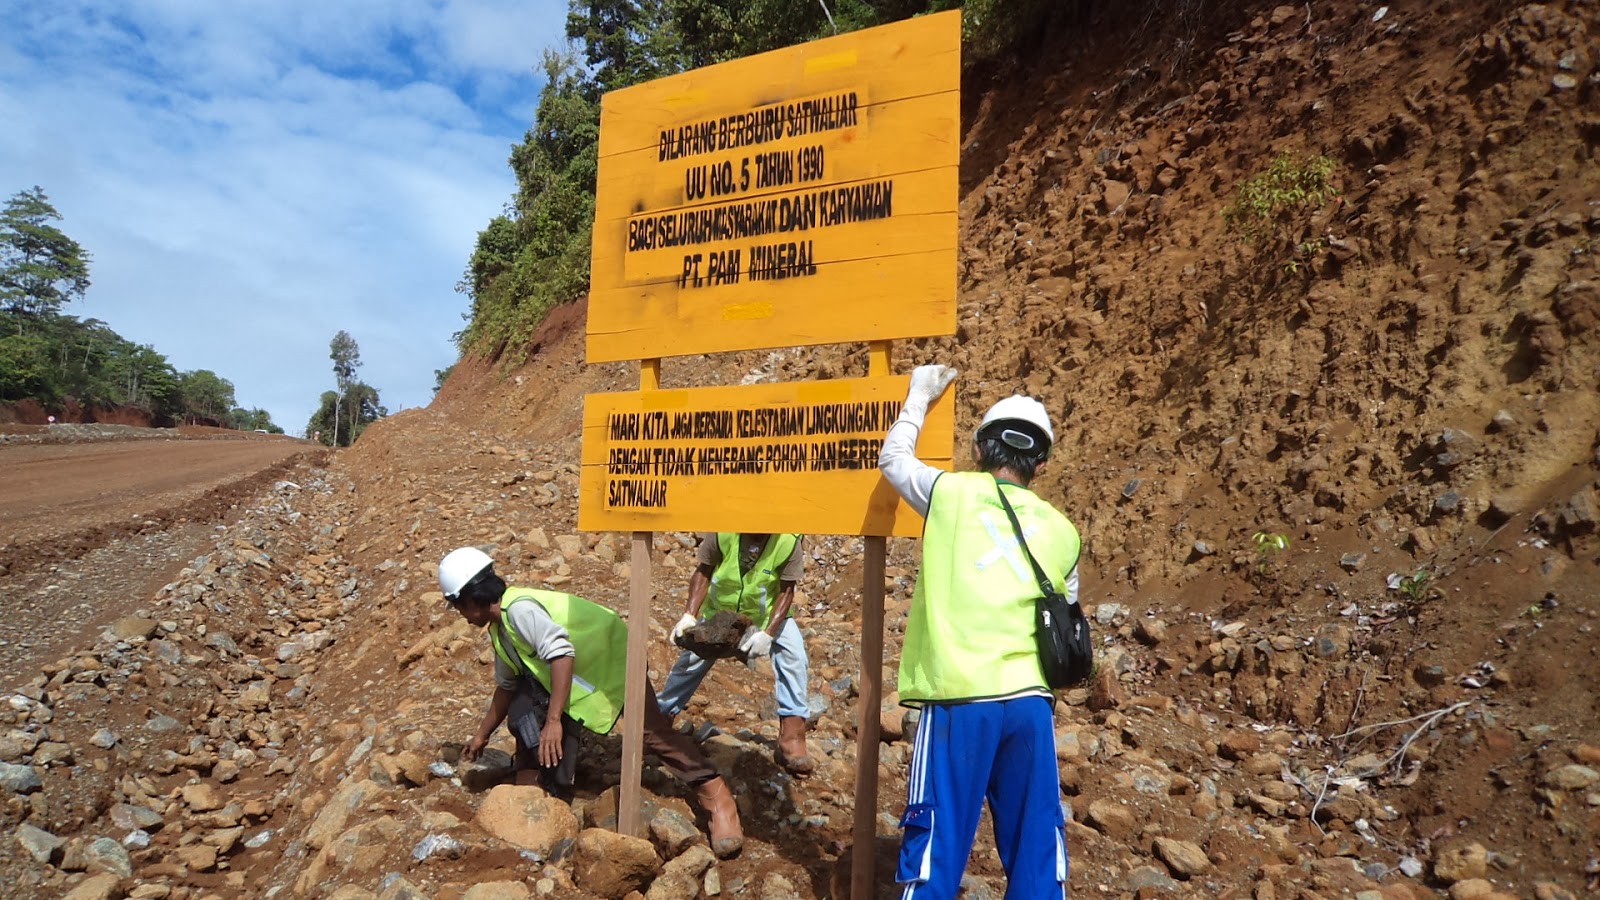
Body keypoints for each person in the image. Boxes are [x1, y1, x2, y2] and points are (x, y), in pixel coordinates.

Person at [878, 366, 1081, 899]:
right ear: (1040, 462)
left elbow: (894, 461)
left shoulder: (952, 494)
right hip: (1031, 707)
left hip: (960, 700)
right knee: (1038, 847)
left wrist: (918, 397)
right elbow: (1067, 611)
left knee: (935, 848)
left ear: (979, 447)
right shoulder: (1063, 531)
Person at [438, 546, 744, 858]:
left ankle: (716, 796)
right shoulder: (501, 630)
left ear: (471, 600)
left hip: (617, 659)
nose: (462, 617)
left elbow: (561, 655)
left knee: (649, 733)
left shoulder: (519, 610)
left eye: (459, 607)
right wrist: (482, 735)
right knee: (523, 706)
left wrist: (555, 721)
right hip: (585, 673)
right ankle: (534, 786)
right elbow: (506, 687)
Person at [657, 533, 814, 775]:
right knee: (689, 664)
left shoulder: (788, 541)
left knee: (794, 657)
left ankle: (792, 735)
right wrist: (689, 614)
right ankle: (659, 721)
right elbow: (704, 571)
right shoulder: (722, 533)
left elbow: (787, 590)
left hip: (767, 619)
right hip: (720, 615)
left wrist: (769, 633)